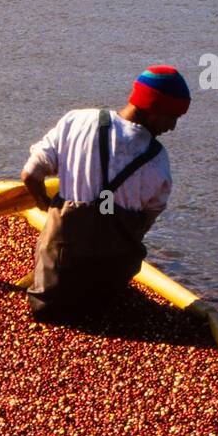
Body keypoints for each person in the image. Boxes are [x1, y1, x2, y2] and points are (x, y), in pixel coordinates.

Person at [21, 66, 191, 321]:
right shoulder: (158, 162)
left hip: (51, 300)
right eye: (172, 117)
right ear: (153, 108)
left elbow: (30, 175)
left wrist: (47, 207)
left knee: (54, 248)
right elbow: (143, 224)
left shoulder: (75, 122)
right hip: (105, 302)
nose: (173, 127)